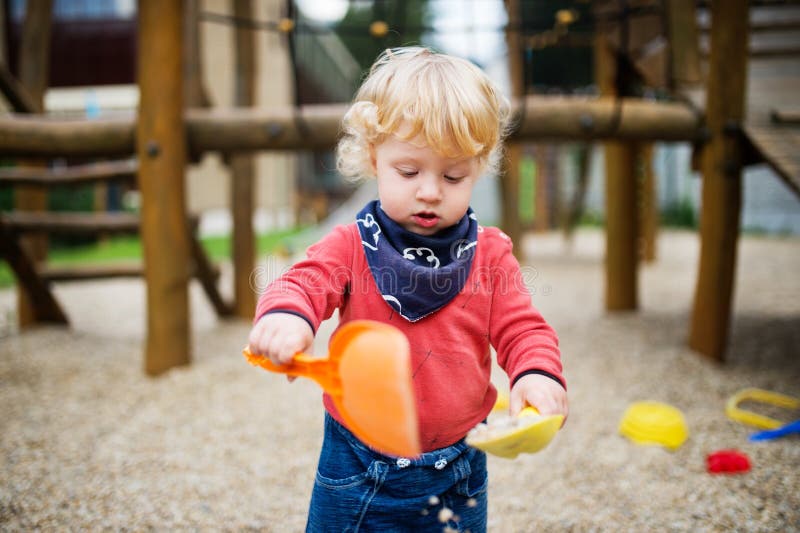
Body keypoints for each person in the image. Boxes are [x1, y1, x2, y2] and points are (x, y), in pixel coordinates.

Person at [247, 46, 567, 532]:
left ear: (478, 168)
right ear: (374, 158)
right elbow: (303, 281)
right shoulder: (352, 245)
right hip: (357, 458)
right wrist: (287, 317)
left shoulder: (489, 254)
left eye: (453, 175)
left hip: (457, 465)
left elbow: (523, 328)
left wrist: (536, 373)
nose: (431, 191)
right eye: (409, 171)